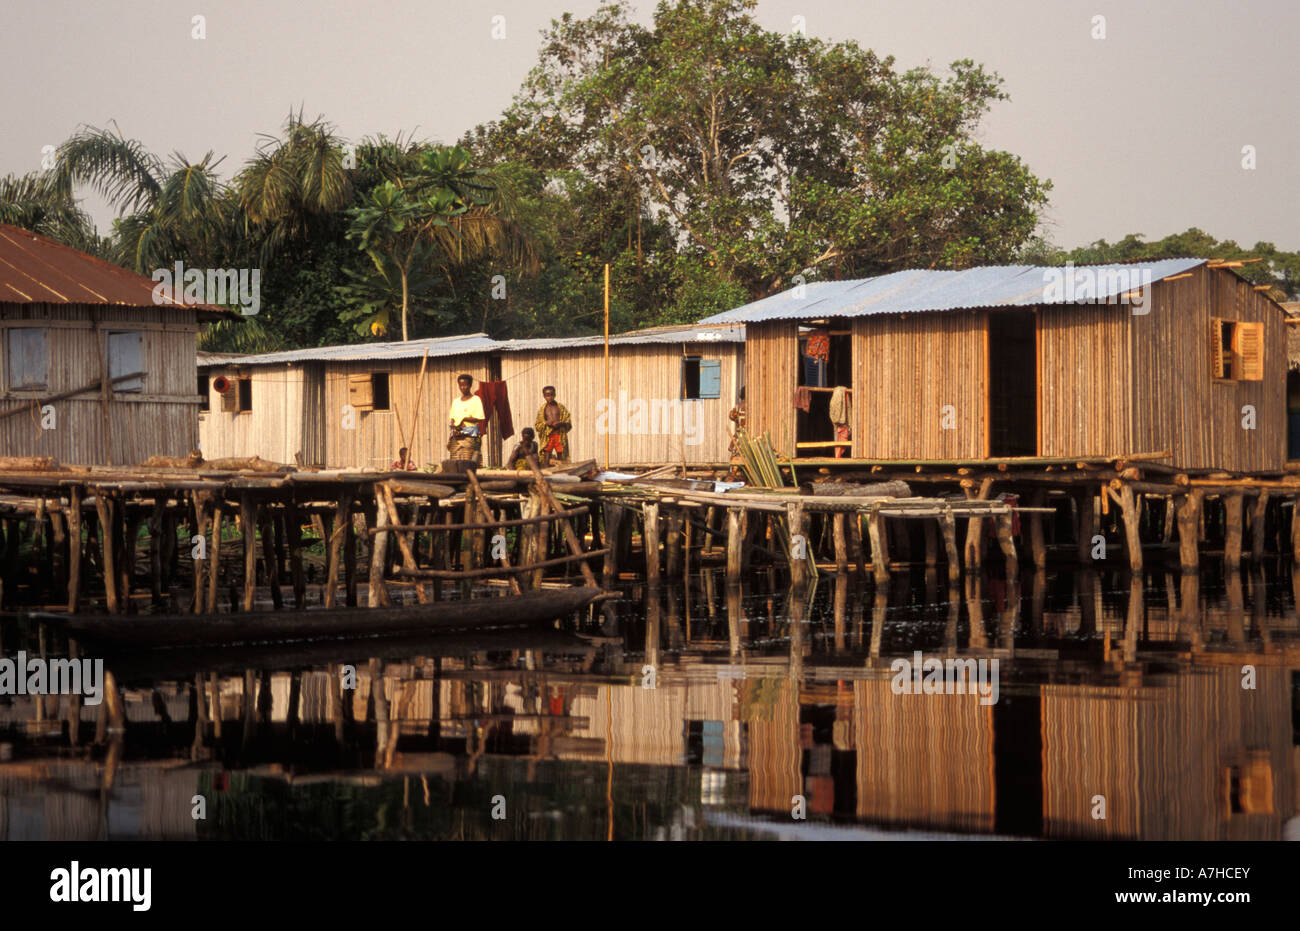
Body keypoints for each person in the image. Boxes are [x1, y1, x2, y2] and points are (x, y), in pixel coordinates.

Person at [447, 373, 486, 465]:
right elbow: (452, 418)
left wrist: (464, 419)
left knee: (468, 460)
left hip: (470, 436)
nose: (463, 387)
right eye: (461, 385)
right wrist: (453, 426)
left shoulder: (476, 400)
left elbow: (479, 418)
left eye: (465, 385)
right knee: (455, 460)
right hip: (456, 436)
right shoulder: (456, 402)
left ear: (470, 385)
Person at [535, 385, 571, 466]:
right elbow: (538, 424)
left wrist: (561, 423)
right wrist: (546, 423)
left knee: (561, 455)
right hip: (548, 436)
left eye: (551, 395)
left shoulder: (560, 408)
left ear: (555, 395)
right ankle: (547, 473)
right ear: (544, 396)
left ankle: (561, 473)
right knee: (547, 455)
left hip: (559, 435)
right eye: (547, 395)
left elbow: (568, 421)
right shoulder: (542, 409)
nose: (550, 397)